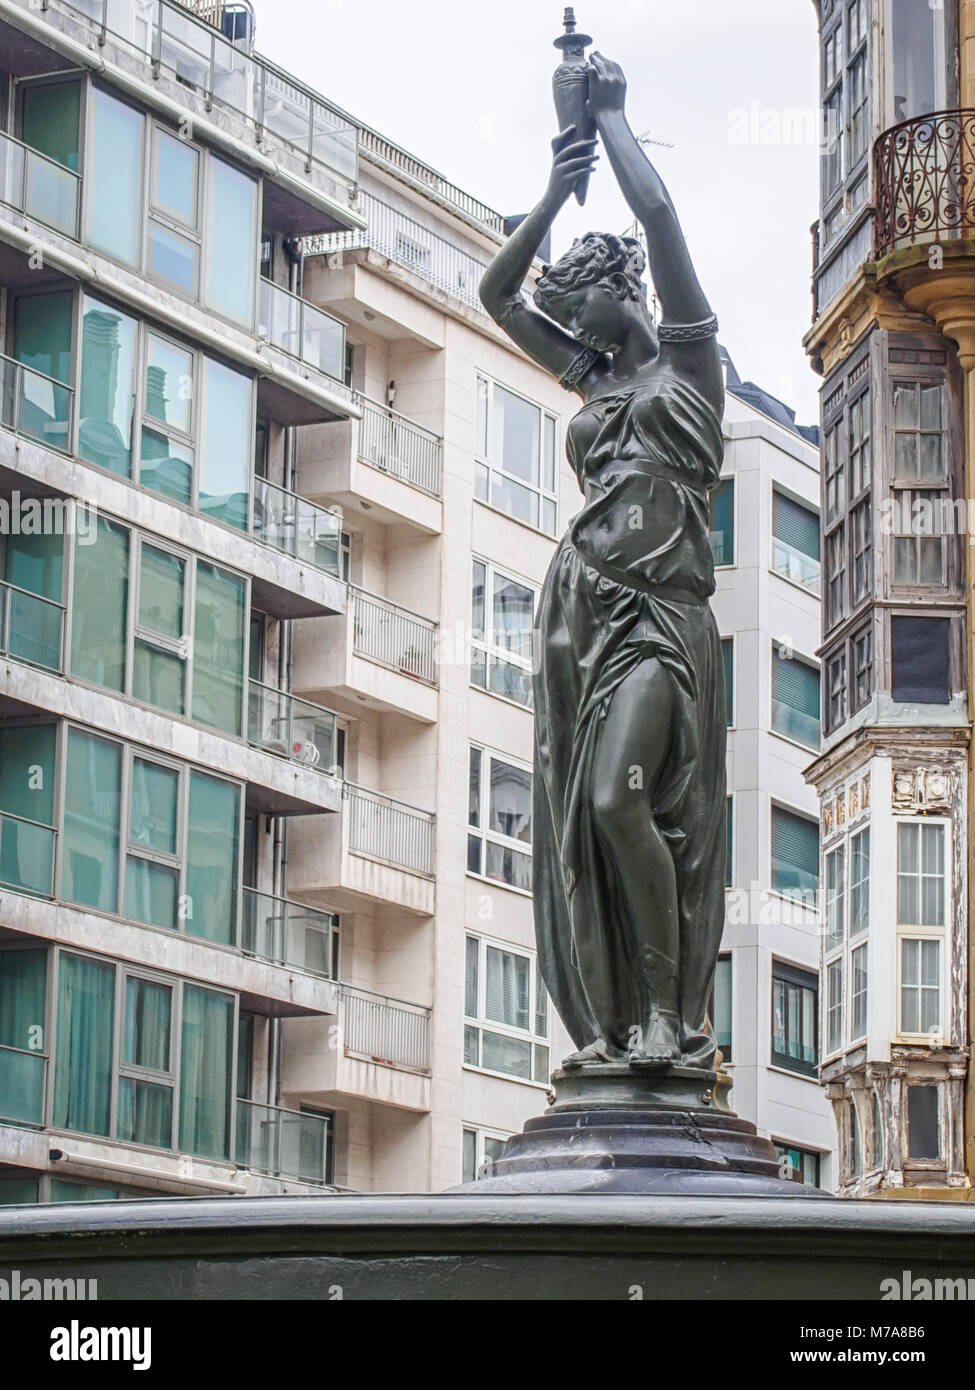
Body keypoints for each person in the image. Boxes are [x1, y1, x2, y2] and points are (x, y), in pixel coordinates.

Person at [479, 54, 726, 1070]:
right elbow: (499, 296)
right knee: (585, 817)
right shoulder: (592, 379)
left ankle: (669, 1018)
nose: (568, 330)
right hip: (586, 617)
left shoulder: (690, 363)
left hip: (663, 622)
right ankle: (621, 1022)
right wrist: (555, 181)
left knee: (623, 800)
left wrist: (616, 124)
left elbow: (662, 221)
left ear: (618, 299)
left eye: (578, 310)